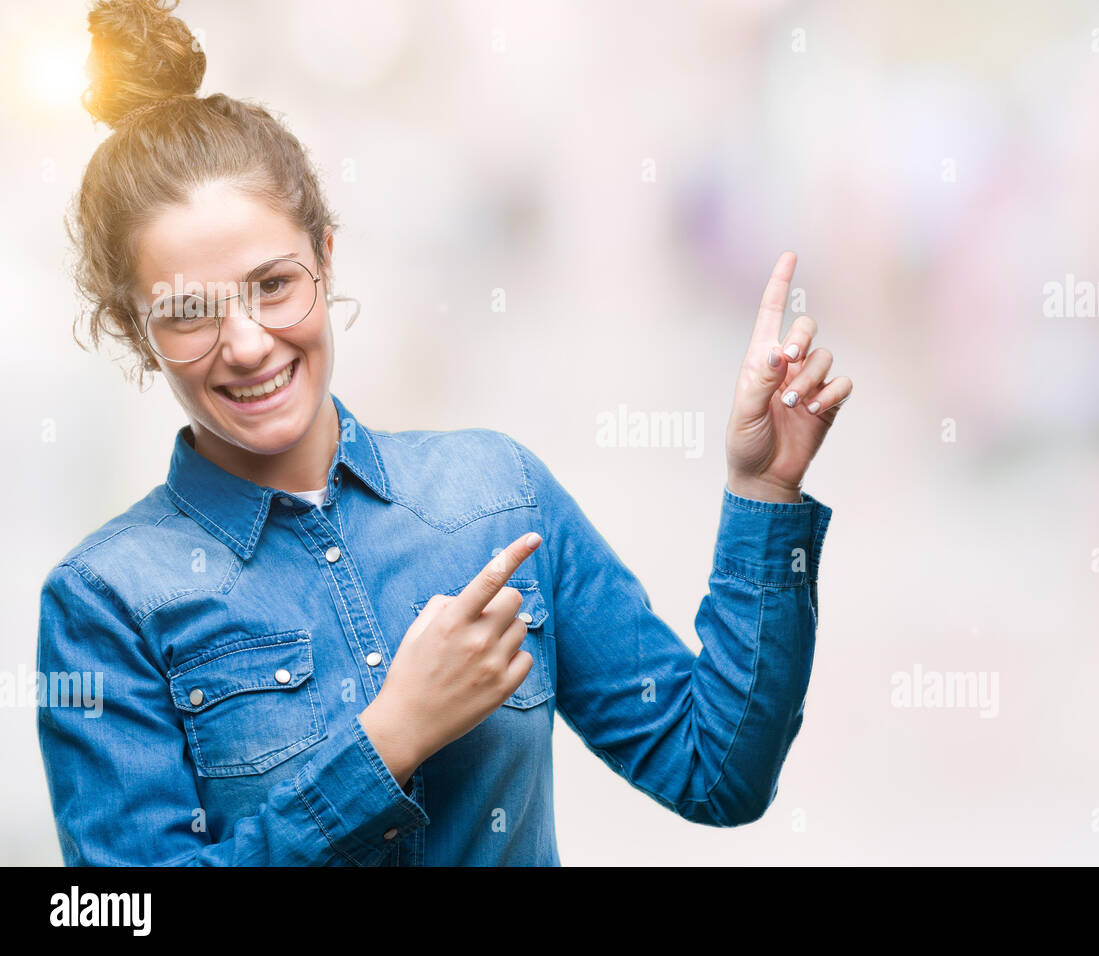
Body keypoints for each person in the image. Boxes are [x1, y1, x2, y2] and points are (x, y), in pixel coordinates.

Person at [36, 0, 851, 866]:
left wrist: (766, 492)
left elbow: (716, 773)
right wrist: (387, 743)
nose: (245, 344)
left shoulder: (497, 495)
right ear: (135, 329)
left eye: (274, 285)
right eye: (189, 312)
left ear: (326, 256)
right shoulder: (105, 604)